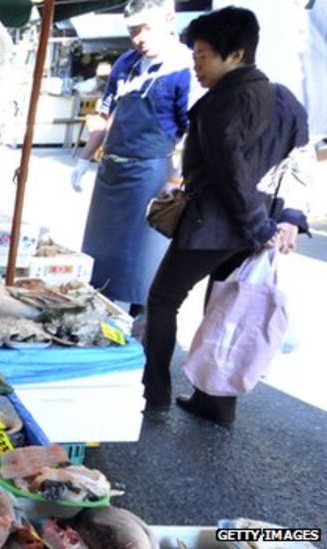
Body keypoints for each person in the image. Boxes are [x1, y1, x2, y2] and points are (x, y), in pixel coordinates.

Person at [141, 6, 310, 426]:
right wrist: (281, 220)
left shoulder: (223, 100)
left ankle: (155, 394)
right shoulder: (284, 98)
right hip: (254, 228)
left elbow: (230, 172)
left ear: (235, 54)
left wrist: (258, 226)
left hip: (217, 226)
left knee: (163, 300)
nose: (196, 66)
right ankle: (215, 402)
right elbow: (298, 160)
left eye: (202, 56)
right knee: (225, 309)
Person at [72, 0, 195, 319]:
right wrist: (84, 159)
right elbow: (105, 116)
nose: (139, 38)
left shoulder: (183, 67)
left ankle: (133, 324)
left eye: (146, 28)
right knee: (98, 256)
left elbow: (194, 133)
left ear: (168, 19)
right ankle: (94, 315)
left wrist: (175, 179)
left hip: (150, 175)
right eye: (132, 31)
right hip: (110, 171)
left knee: (138, 262)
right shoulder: (125, 63)